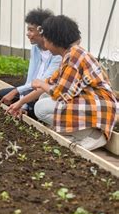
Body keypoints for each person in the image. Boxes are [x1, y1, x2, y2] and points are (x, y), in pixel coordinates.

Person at [31, 15, 117, 150]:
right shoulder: (70, 54)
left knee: (40, 108)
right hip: (93, 101)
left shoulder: (73, 56)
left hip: (100, 105)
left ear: (54, 40)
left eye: (46, 39)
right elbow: (52, 81)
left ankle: (92, 134)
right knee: (44, 97)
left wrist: (41, 84)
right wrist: (20, 103)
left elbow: (60, 94)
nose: (45, 44)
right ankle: (75, 132)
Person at [0, 8, 62, 118]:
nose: (28, 34)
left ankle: (32, 110)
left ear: (42, 31)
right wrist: (23, 105)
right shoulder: (35, 48)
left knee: (37, 104)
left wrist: (18, 93)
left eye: (31, 30)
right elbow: (31, 77)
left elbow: (45, 82)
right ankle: (28, 109)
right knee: (3, 94)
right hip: (34, 89)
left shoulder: (57, 53)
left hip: (47, 92)